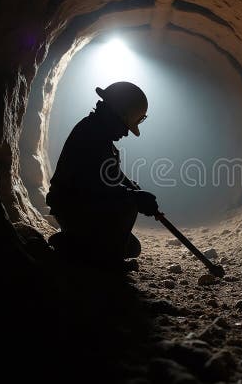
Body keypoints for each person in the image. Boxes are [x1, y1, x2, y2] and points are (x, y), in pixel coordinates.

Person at [46, 81, 159, 272]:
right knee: (127, 205)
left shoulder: (98, 133)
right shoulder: (90, 135)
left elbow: (108, 175)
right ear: (113, 114)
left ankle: (74, 243)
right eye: (125, 125)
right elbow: (90, 186)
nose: (126, 132)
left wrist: (130, 185)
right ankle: (103, 259)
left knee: (132, 248)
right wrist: (133, 197)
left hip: (81, 207)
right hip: (73, 207)